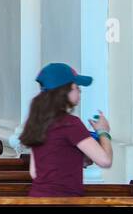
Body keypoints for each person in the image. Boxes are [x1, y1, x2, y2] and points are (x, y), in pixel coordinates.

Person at [19, 62, 113, 197]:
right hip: (63, 200)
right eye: (77, 87)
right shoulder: (70, 123)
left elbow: (35, 172)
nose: (80, 91)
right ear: (64, 90)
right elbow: (105, 160)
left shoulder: (38, 122)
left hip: (37, 198)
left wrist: (75, 160)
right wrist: (103, 132)